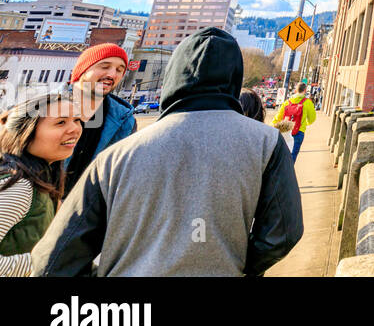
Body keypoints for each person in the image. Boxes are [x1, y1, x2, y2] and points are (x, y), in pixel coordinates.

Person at [32, 27, 304, 277]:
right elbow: (283, 233)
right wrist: (236, 263)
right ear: (234, 78)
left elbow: (54, 258)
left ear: (174, 74)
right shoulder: (267, 142)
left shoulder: (115, 157)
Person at [1, 89, 83, 276]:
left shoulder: (41, 178)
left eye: (77, 120)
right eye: (60, 122)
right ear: (26, 132)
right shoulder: (19, 186)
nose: (75, 129)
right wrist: (47, 261)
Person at [62, 43, 136, 191]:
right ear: (83, 69)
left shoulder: (125, 122)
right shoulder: (43, 106)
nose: (112, 74)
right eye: (104, 66)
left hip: (82, 208)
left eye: (120, 70)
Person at [272, 81, 317, 163]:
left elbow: (277, 118)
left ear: (295, 90)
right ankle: (288, 173)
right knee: (292, 155)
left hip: (285, 131)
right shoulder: (307, 103)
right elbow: (312, 119)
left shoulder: (287, 102)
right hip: (299, 132)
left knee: (281, 154)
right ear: (305, 90)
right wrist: (304, 124)